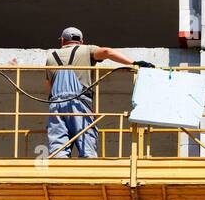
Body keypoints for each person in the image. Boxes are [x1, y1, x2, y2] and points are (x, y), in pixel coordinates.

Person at [43, 27, 150, 159]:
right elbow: (106, 51)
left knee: (57, 150)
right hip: (79, 104)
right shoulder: (86, 50)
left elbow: (49, 85)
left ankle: (60, 175)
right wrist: (133, 63)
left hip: (56, 105)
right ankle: (88, 174)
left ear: (63, 40)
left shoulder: (51, 57)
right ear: (81, 41)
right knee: (86, 145)